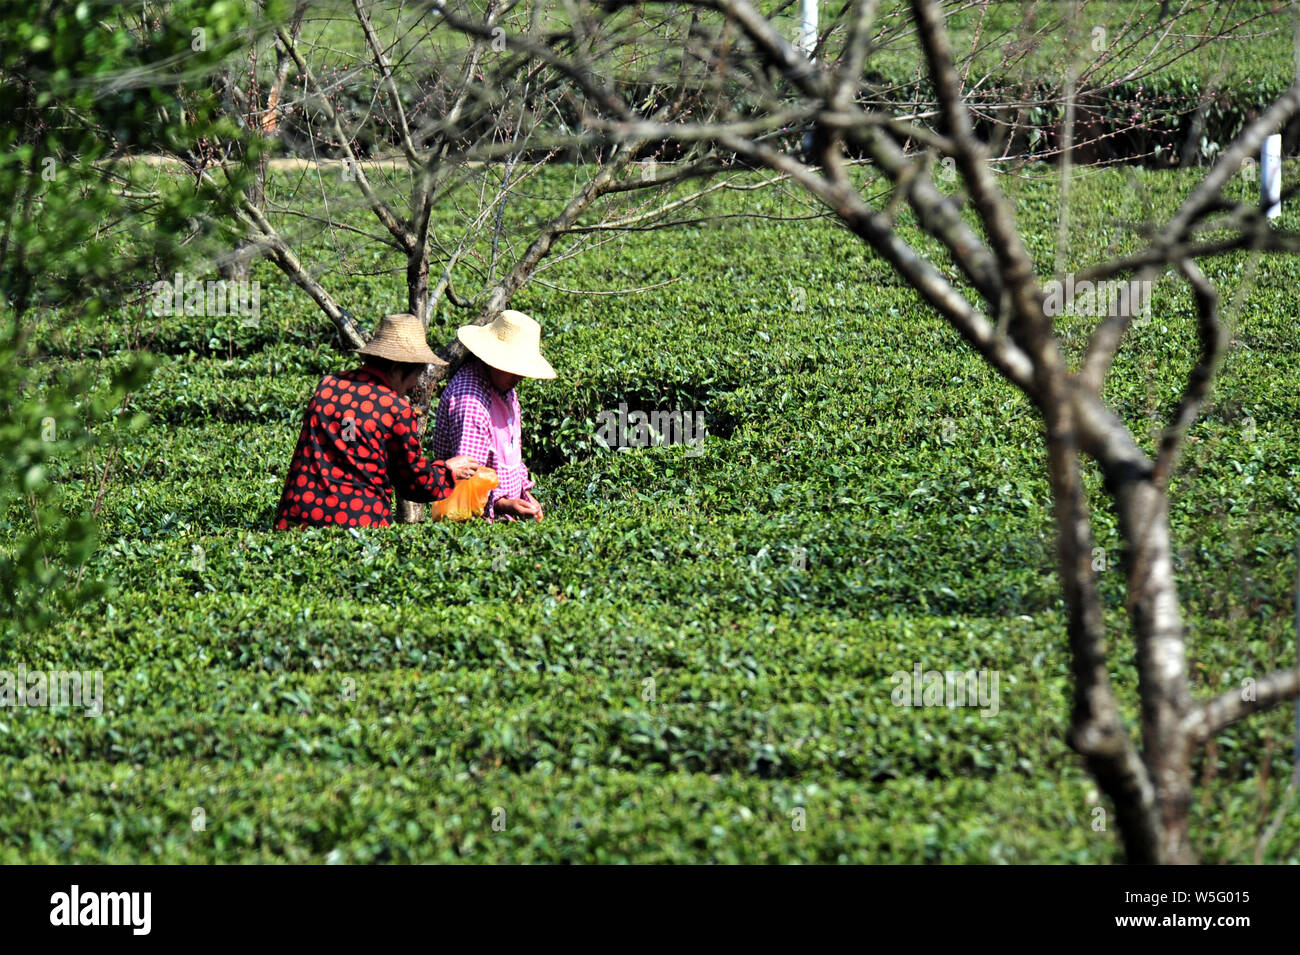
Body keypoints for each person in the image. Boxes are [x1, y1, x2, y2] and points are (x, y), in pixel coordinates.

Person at [274, 313, 479, 529]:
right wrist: (447, 471)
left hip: (297, 518)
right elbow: (413, 481)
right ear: (398, 368)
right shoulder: (395, 409)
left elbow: (348, 434)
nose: (412, 386)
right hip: (356, 524)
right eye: (415, 376)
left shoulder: (327, 386)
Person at [433, 309, 555, 522]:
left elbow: (511, 453)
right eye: (514, 368)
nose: (520, 376)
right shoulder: (471, 402)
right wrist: (504, 505)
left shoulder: (505, 389)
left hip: (502, 519)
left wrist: (526, 495)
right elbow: (466, 482)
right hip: (474, 527)